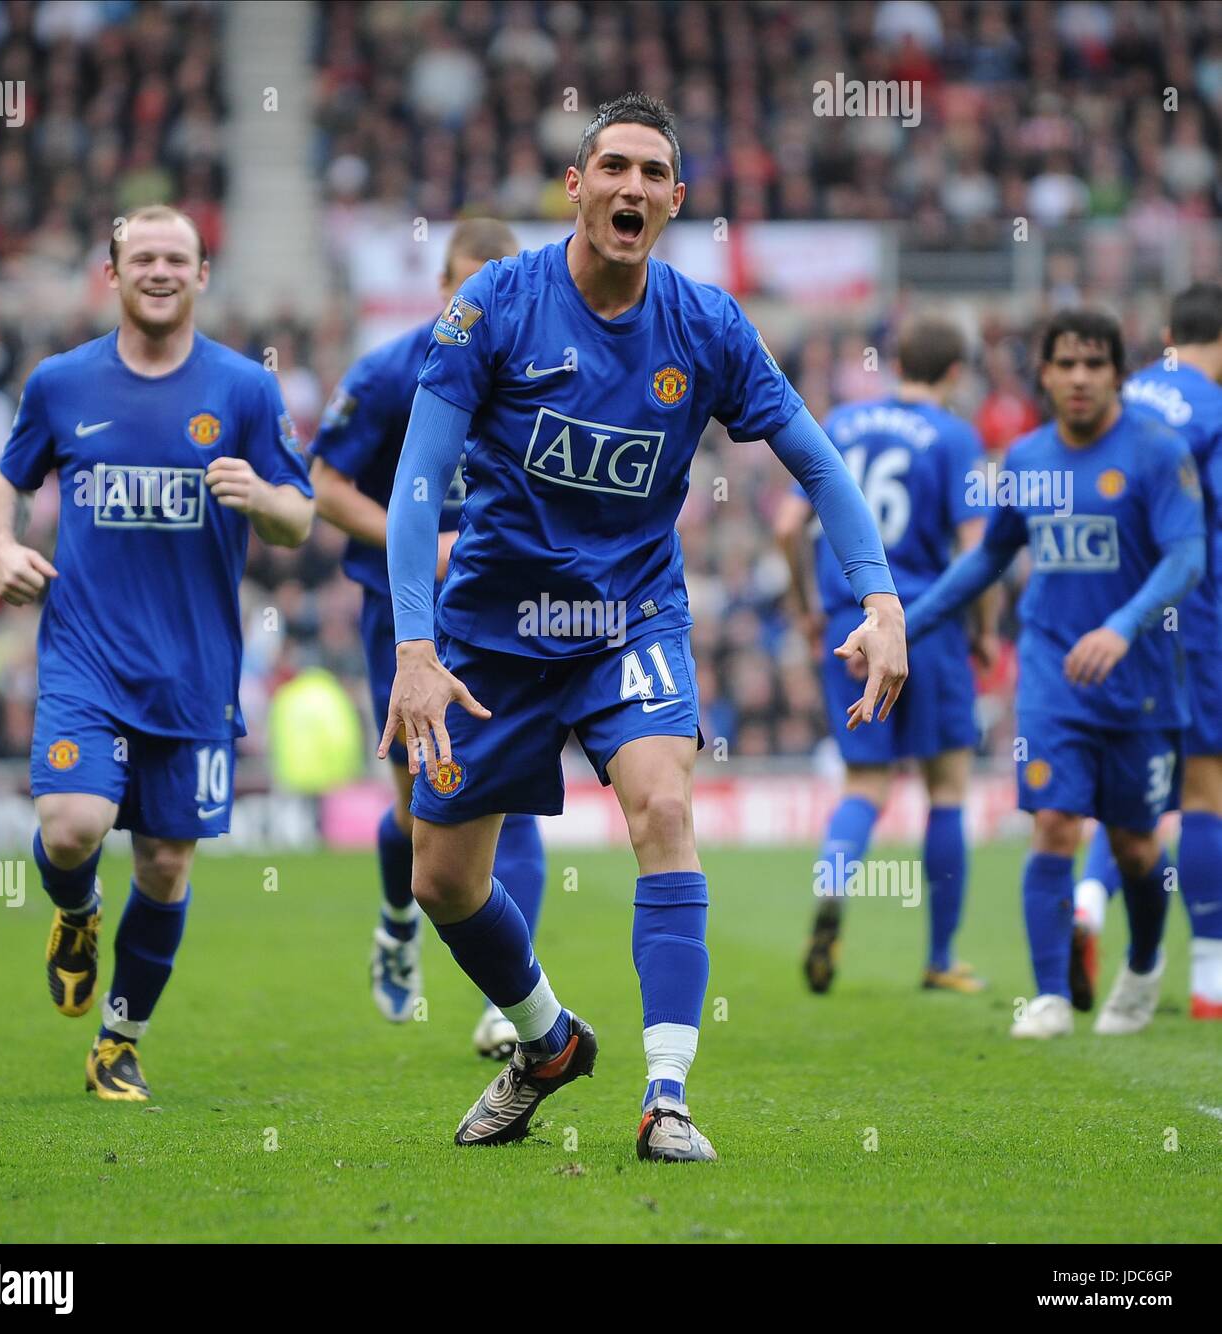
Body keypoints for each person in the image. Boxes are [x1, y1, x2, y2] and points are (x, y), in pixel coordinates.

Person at [380, 93, 906, 1160]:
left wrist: (880, 597)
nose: (629, 186)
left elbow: (814, 458)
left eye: (651, 172)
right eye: (610, 166)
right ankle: (547, 1040)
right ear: (574, 187)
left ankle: (665, 1096)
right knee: (441, 880)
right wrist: (414, 646)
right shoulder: (493, 304)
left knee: (664, 803)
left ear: (675, 199)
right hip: (493, 629)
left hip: (632, 618)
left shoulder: (706, 324)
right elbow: (420, 479)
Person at [0, 204, 314, 1099]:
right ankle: (78, 910)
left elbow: (300, 516)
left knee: (165, 865)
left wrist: (263, 499)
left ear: (203, 275)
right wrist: (5, 549)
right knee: (74, 825)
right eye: (143, 258)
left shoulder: (245, 390)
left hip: (195, 674)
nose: (160, 271)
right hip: (86, 660)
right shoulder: (60, 383)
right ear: (114, 274)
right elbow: (4, 483)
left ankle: (117, 1042)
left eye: (178, 259)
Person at [905, 309, 1204, 1038]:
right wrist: (902, 626)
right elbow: (988, 557)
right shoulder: (1027, 461)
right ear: (1043, 373)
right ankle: (1047, 997)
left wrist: (1122, 625)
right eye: (1065, 364)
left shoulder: (1156, 452)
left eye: (1093, 364)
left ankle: (1141, 965)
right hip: (1049, 672)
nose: (1078, 377)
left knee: (1135, 845)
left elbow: (1187, 556)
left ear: (1118, 375)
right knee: (1054, 825)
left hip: (1139, 679)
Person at [310, 218, 546, 1058]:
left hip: (503, 612)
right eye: (466, 284)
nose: (484, 301)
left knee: (507, 791)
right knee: (421, 807)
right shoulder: (389, 370)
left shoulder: (543, 368)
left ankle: (506, 999)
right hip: (404, 611)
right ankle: (396, 923)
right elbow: (324, 485)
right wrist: (416, 541)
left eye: (501, 284)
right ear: (442, 285)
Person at [777, 316, 992, 996]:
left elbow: (787, 527)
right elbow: (978, 547)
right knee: (948, 789)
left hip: (851, 622)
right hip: (926, 622)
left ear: (897, 361)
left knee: (866, 786)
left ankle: (833, 886)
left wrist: (809, 606)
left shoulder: (842, 421)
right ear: (955, 373)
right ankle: (940, 956)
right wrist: (984, 629)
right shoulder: (957, 435)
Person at [1073, 283, 1222, 1020]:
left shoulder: (1122, 390)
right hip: (1188, 615)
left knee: (1131, 790)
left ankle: (1089, 903)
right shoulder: (1212, 408)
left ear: (1168, 333)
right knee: (1202, 791)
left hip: (1110, 610)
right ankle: (1209, 981)